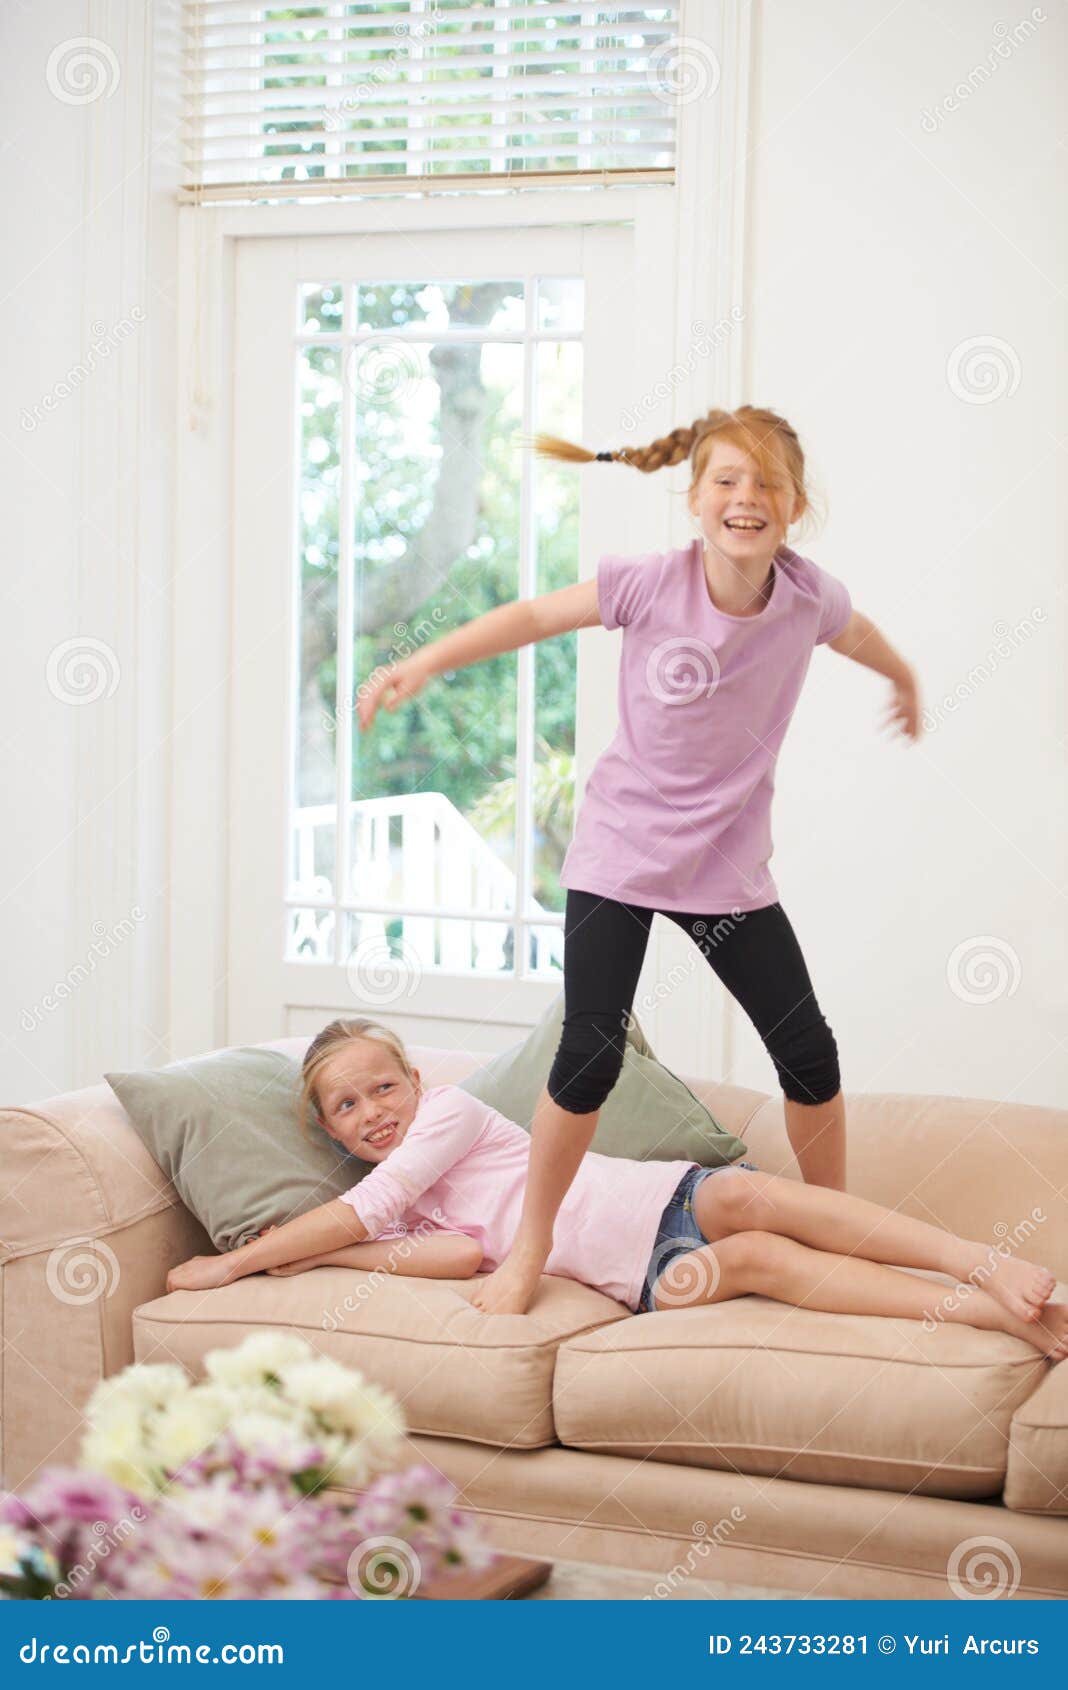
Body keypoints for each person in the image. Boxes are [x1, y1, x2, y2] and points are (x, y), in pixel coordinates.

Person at [352, 406, 922, 1316]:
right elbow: (537, 614)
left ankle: (835, 1223)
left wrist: (905, 678)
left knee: (808, 1050)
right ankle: (531, 1242)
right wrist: (425, 662)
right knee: (590, 1051)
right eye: (726, 481)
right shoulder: (652, 584)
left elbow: (862, 637)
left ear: (795, 505)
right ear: (694, 500)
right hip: (620, 853)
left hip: (723, 868)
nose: (746, 498)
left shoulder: (810, 598)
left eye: (766, 483)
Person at [165, 1021, 1065, 1362]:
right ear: (328, 1131)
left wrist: (236, 1267)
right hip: (641, 1283)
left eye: (382, 1087)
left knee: (756, 1206)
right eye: (346, 1107)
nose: (373, 1112)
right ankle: (1000, 1317)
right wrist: (349, 1250)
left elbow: (360, 1211)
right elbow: (454, 1256)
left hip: (659, 1204)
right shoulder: (398, 1199)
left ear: (414, 1079)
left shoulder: (449, 1115)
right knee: (761, 1264)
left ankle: (979, 1261)